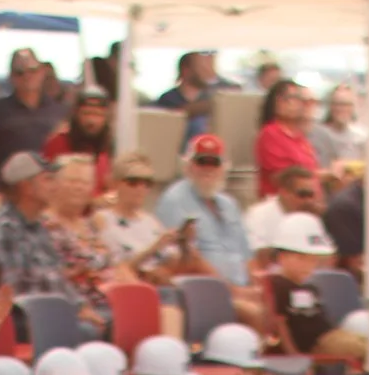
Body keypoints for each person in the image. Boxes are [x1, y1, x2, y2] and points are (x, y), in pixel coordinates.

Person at [264, 212, 369, 375]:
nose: (308, 266)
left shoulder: (310, 287)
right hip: (317, 344)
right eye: (301, 258)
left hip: (332, 335)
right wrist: (294, 355)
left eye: (313, 260)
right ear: (282, 257)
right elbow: (280, 323)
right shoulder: (278, 285)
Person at [0, 154, 101, 331]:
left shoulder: (38, 226)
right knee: (87, 331)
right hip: (15, 321)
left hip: (49, 313)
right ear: (27, 187)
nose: (55, 186)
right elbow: (16, 289)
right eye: (48, 180)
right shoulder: (2, 228)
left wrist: (80, 305)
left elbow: (57, 276)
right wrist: (71, 310)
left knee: (108, 321)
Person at [151, 134, 259, 318]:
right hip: (202, 290)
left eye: (214, 163)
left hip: (240, 289)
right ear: (188, 166)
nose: (207, 169)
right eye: (201, 162)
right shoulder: (174, 200)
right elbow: (186, 259)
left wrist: (256, 288)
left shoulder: (229, 204)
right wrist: (232, 290)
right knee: (254, 313)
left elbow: (247, 256)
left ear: (223, 168)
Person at [42, 154, 124, 329]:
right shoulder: (44, 226)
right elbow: (48, 278)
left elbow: (117, 264)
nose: (79, 187)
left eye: (85, 183)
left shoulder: (93, 225)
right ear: (53, 184)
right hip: (75, 308)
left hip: (112, 301)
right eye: (72, 181)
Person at [93, 153, 179, 283]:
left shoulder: (151, 220)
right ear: (116, 184)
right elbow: (117, 269)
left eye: (147, 183)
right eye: (133, 182)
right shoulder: (102, 219)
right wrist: (153, 249)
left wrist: (184, 243)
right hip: (129, 285)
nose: (141, 189)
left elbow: (173, 259)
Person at [0, 49, 70, 163]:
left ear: (42, 72)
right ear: (11, 76)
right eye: (19, 72)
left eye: (32, 70)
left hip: (51, 177)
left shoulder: (61, 112)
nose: (27, 76)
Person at [252, 79, 319, 190]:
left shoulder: (300, 137)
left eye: (299, 99)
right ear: (277, 102)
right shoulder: (270, 134)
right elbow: (281, 177)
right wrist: (320, 176)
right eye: (292, 98)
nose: (298, 103)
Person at [41, 85, 116, 184]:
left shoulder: (106, 148)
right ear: (76, 115)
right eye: (86, 113)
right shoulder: (57, 144)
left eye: (97, 115)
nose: (91, 121)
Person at [246, 165, 324, 257]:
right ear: (284, 192)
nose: (309, 201)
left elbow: (321, 249)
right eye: (303, 194)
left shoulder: (313, 215)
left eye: (311, 195)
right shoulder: (258, 215)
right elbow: (255, 252)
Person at [152, 50, 220, 144]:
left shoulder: (211, 98)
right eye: (201, 67)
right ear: (186, 70)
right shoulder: (168, 99)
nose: (207, 71)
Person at [307, 83, 366, 173]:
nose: (342, 109)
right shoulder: (316, 134)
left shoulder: (361, 137)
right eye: (338, 104)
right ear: (330, 106)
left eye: (346, 104)